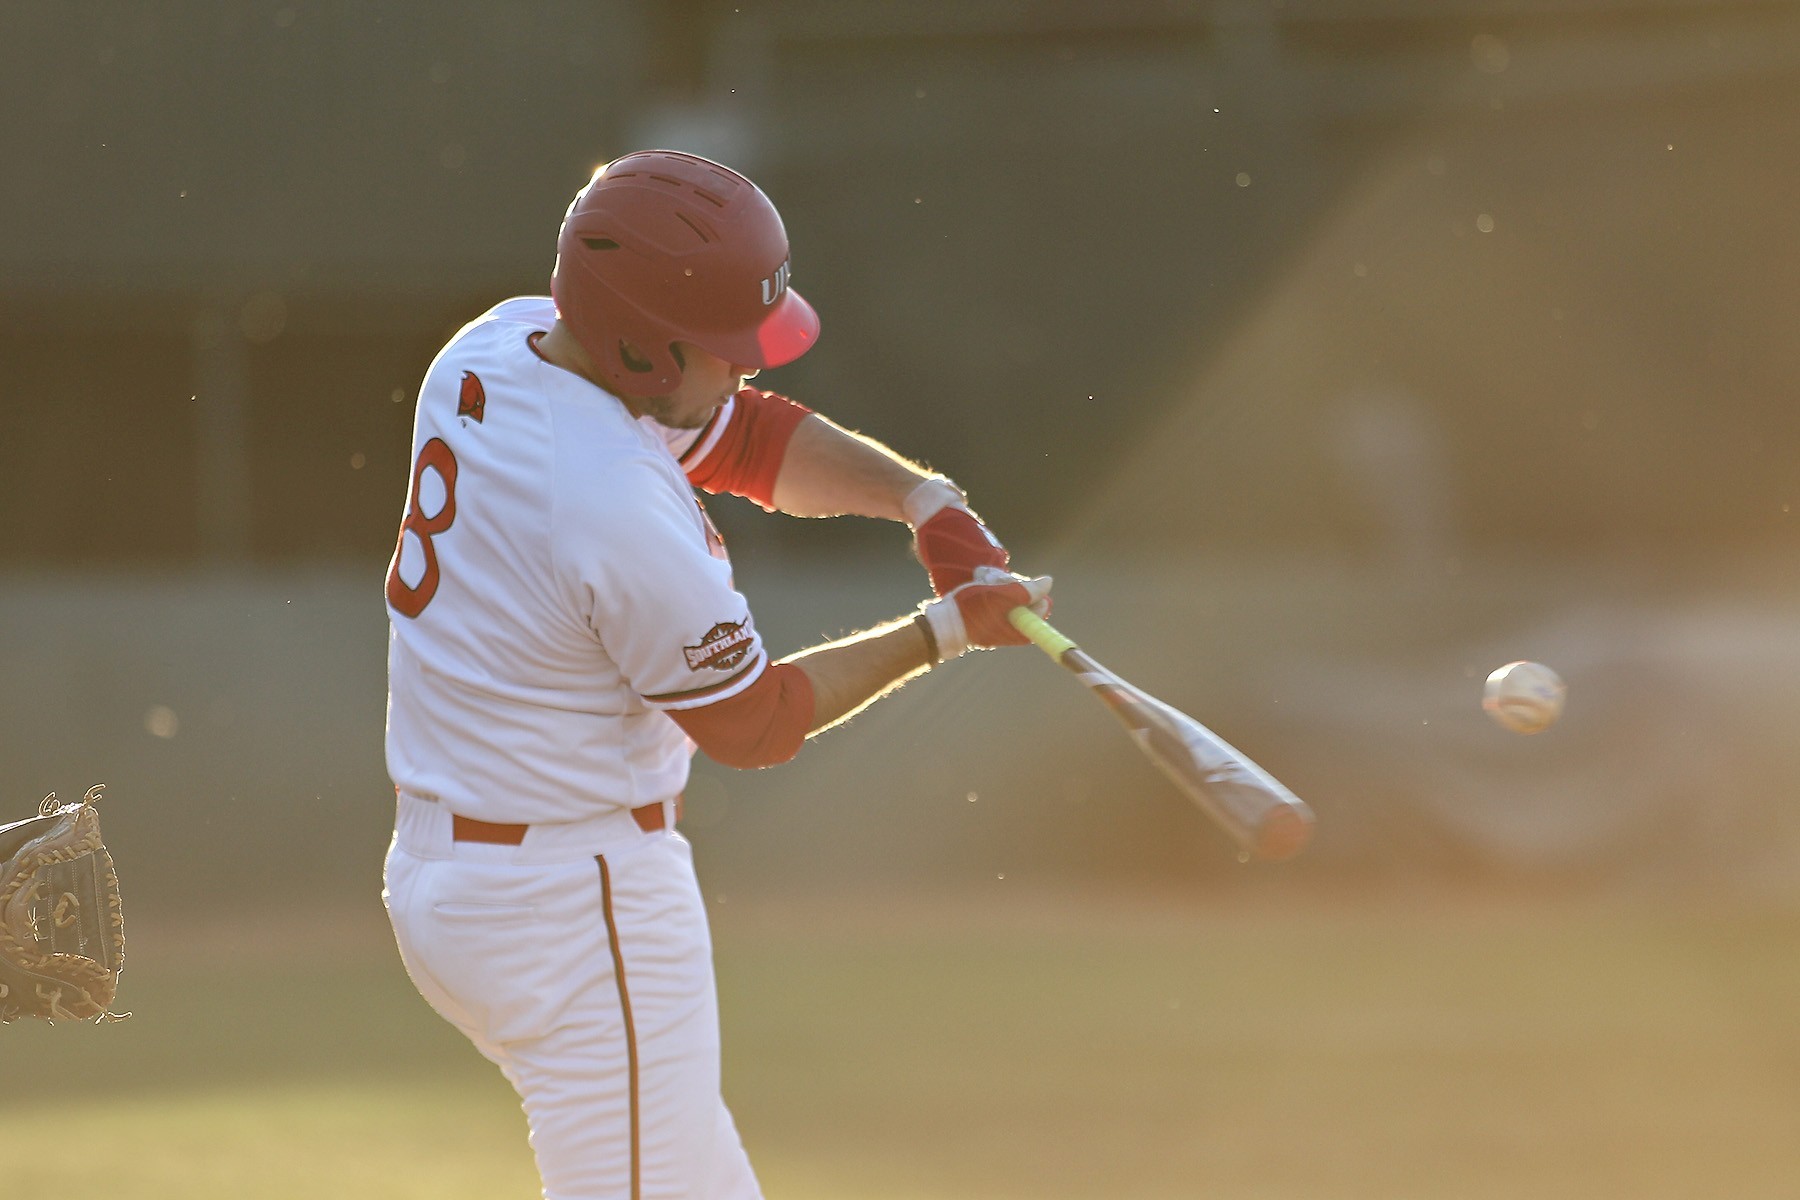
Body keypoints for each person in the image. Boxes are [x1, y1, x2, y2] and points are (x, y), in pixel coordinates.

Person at [379, 149, 1051, 1200]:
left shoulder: (500, 345)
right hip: (575, 900)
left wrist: (923, 499)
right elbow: (757, 722)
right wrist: (946, 631)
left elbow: (741, 436)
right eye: (727, 350)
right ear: (642, 351)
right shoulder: (609, 500)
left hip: (465, 877)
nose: (751, 371)